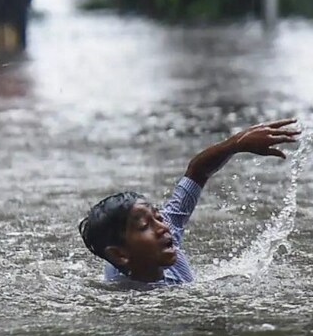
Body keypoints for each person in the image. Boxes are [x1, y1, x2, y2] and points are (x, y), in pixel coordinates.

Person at [79, 119, 301, 287]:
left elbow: (197, 171)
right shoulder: (121, 299)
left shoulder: (169, 232)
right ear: (119, 255)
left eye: (157, 217)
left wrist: (236, 144)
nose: (163, 226)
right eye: (145, 226)